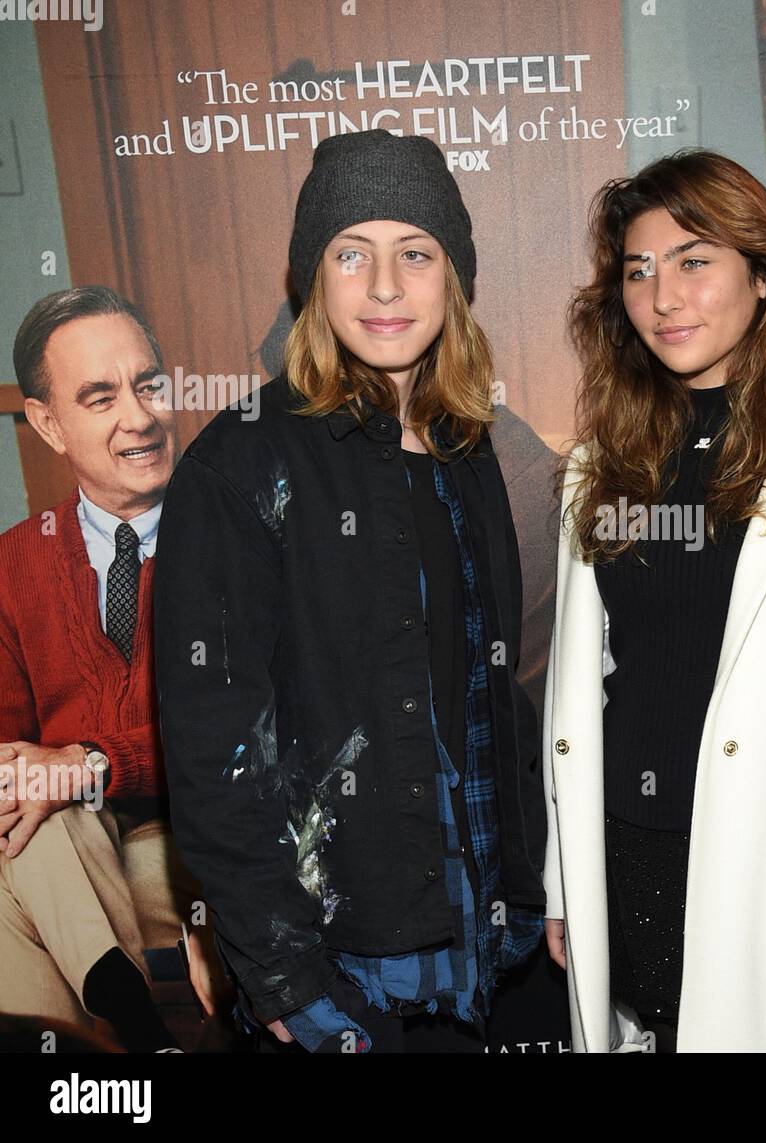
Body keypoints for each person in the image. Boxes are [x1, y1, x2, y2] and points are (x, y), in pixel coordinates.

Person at [152, 129, 546, 1053]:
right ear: (311, 280)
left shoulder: (469, 452)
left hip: (475, 946)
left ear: (453, 277)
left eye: (415, 254)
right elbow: (214, 754)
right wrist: (283, 973)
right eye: (350, 254)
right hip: (335, 971)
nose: (382, 287)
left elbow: (487, 695)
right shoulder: (238, 461)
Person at [542, 149, 766, 1052]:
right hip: (621, 853)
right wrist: (563, 879)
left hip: (758, 869)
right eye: (639, 270)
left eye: (694, 261)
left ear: (764, 279)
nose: (663, 296)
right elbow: (578, 695)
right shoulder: (599, 464)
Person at [1, 286, 213, 1052]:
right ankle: (130, 1035)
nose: (140, 416)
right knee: (21, 822)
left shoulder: (234, 537)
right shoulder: (15, 561)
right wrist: (34, 775)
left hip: (194, 846)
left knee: (36, 825)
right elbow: (12, 753)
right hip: (72, 855)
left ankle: (105, 1051)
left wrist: (90, 762)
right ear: (48, 423)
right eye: (100, 397)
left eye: (149, 384)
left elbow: (243, 733)